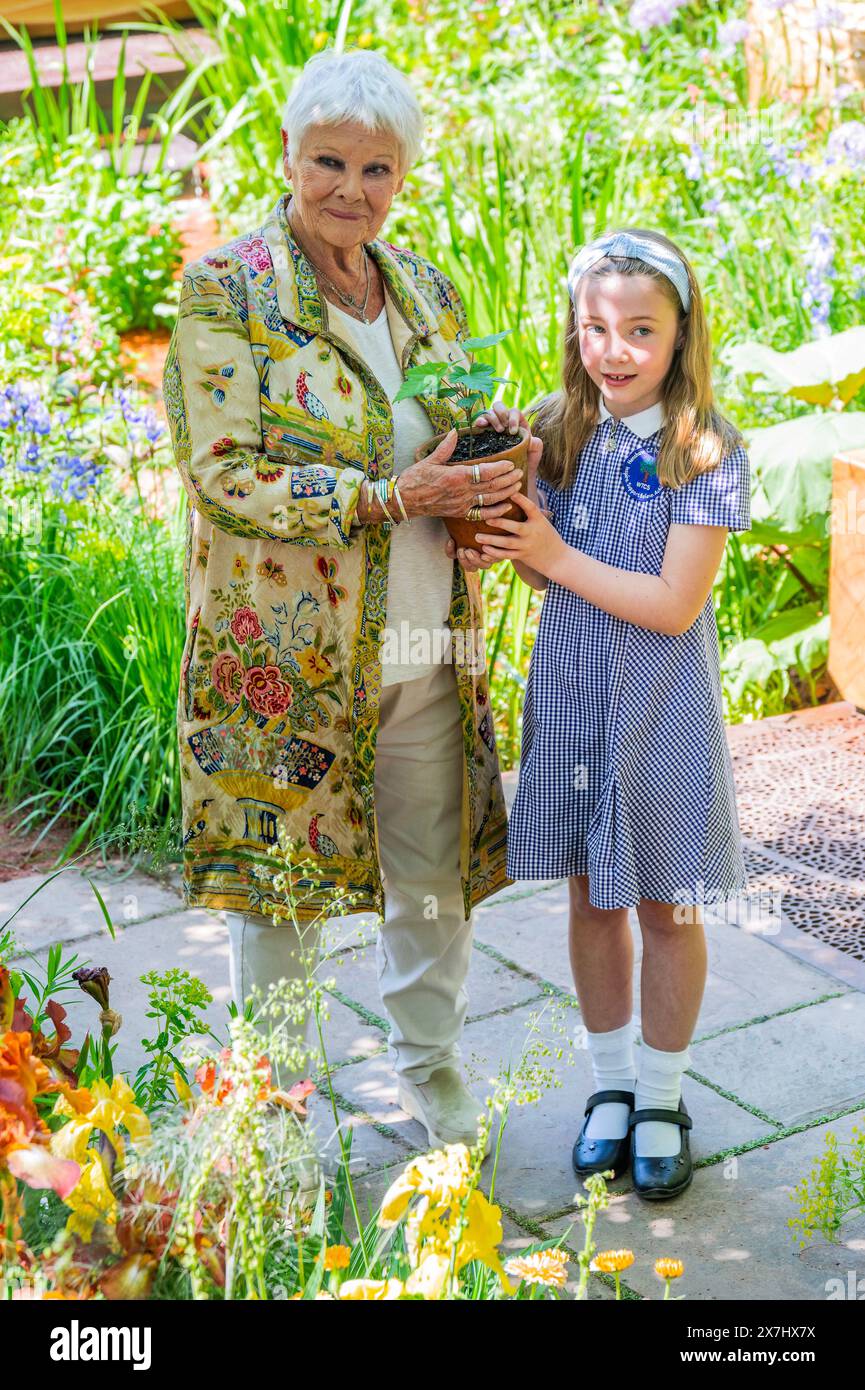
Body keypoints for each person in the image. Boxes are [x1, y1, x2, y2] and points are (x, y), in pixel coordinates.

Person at [162, 48, 532, 1153]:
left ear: (401, 175)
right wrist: (384, 498)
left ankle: (430, 1066)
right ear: (288, 154)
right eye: (329, 161)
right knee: (282, 885)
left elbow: (445, 437)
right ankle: (274, 1108)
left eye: (377, 169)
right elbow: (221, 474)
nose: (351, 190)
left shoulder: (422, 288)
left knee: (432, 879)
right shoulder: (228, 289)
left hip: (427, 638)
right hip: (288, 657)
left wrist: (486, 475)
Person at [467, 228, 751, 1199]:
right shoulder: (556, 430)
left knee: (668, 906)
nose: (614, 350)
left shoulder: (703, 449)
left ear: (680, 335)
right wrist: (499, 497)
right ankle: (612, 1086)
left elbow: (672, 605)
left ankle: (663, 1097)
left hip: (662, 709)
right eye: (595, 327)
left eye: (639, 330)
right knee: (592, 900)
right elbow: (520, 555)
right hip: (574, 700)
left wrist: (550, 554)